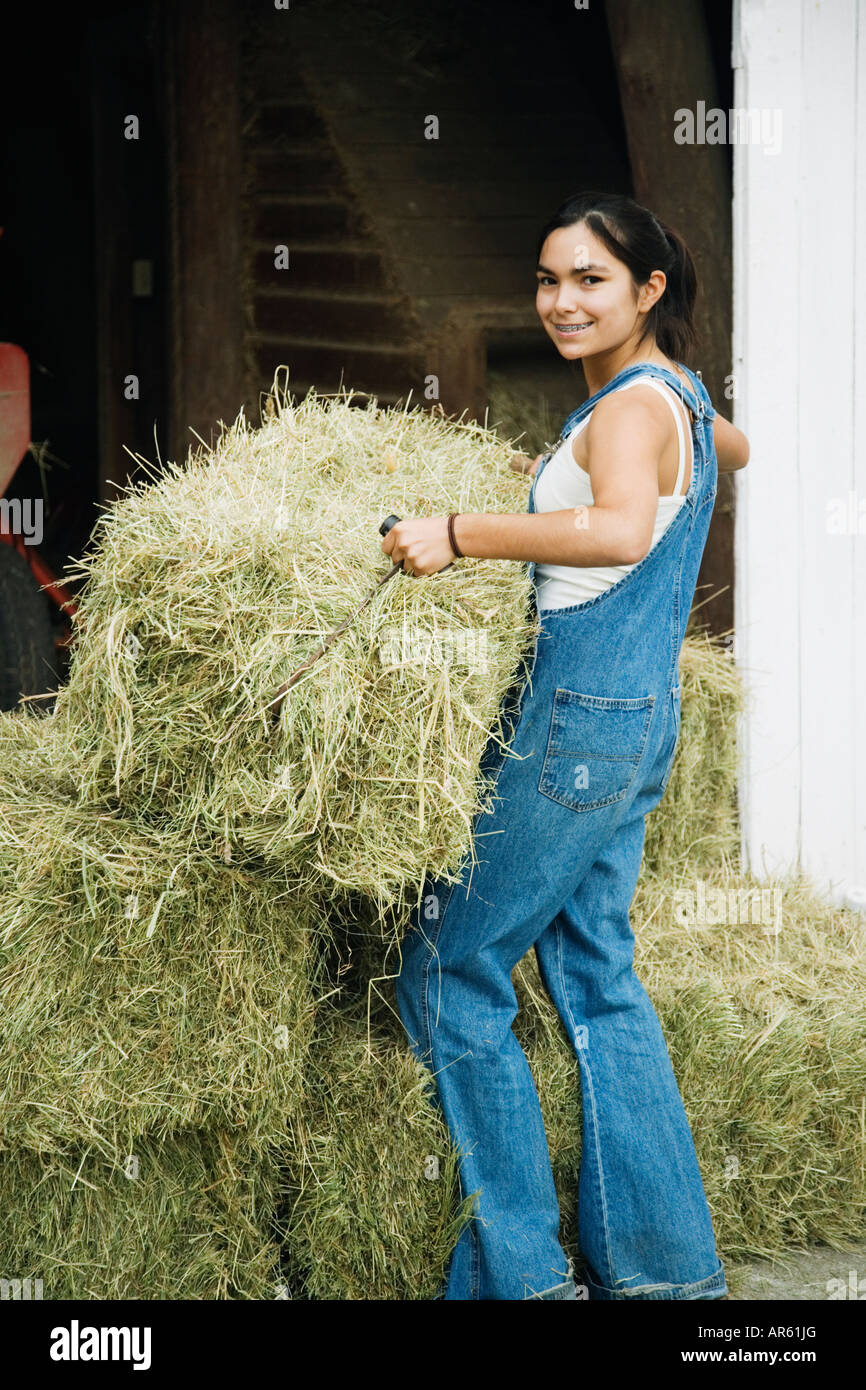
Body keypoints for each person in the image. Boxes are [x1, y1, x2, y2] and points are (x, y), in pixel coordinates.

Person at [383, 190, 750, 1301]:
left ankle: (523, 1273)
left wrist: (456, 532)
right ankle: (663, 1269)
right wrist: (683, 403)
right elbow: (737, 443)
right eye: (547, 279)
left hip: (576, 723)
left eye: (590, 280)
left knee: (451, 965)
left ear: (646, 291)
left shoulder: (627, 412)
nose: (559, 301)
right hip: (636, 724)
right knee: (594, 974)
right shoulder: (673, 392)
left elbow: (619, 529)